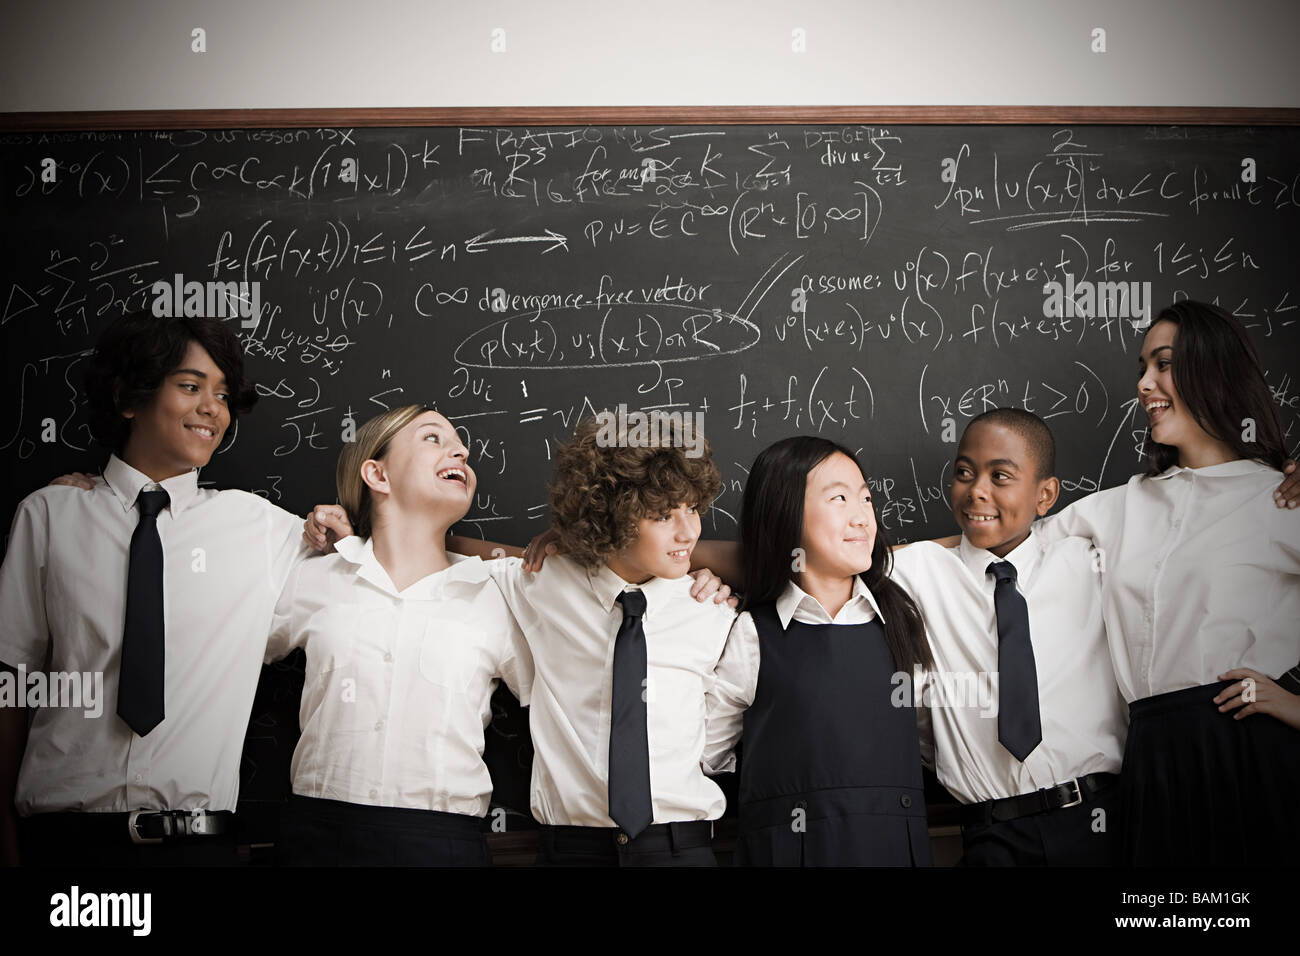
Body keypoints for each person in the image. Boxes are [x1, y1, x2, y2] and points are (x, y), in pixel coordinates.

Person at [307, 412, 738, 866]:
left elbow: (766, 561)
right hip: (570, 846)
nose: (688, 530)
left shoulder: (710, 607)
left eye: (692, 508)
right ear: (611, 517)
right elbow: (449, 555)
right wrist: (359, 542)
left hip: (680, 844)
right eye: (661, 514)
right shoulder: (538, 583)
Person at [0, 312, 306, 866]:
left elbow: (398, 554)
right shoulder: (49, 516)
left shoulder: (262, 529)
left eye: (223, 394)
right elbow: (11, 678)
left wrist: (515, 554)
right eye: (190, 387)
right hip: (65, 841)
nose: (213, 408)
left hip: (197, 845)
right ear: (128, 397)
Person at [1033, 300, 1300, 866]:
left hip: (1246, 747)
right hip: (1149, 753)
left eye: (1164, 364)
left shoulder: (1280, 499)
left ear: (1215, 369)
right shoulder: (1119, 507)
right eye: (1142, 368)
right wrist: (872, 554)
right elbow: (1005, 541)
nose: (1144, 384)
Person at [267, 405, 532, 866]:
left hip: (443, 843)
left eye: (460, 444)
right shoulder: (312, 579)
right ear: (378, 474)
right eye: (433, 437)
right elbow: (218, 651)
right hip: (315, 836)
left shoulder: (498, 594)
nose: (461, 450)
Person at [890, 409, 1125, 865]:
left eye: (1000, 476)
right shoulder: (921, 571)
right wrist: (704, 558)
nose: (976, 489)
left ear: (1045, 495)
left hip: (1100, 818)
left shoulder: (1088, 559)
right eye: (963, 472)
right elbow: (807, 561)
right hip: (992, 834)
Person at [702, 436, 934, 866]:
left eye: (865, 499)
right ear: (785, 513)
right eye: (839, 498)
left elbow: (933, 745)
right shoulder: (752, 633)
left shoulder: (904, 620)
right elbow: (706, 754)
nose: (862, 516)